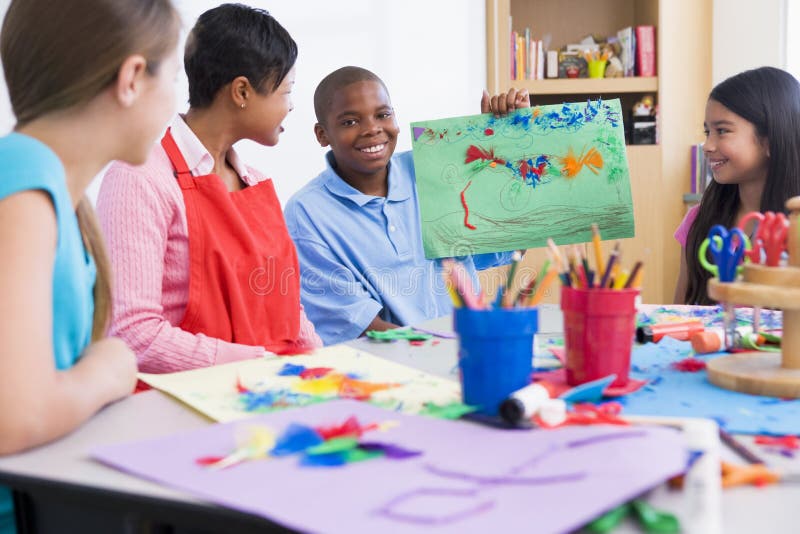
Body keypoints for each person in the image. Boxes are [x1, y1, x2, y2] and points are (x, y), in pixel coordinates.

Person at [0, 0, 180, 530]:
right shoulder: (23, 180)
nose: (176, 99)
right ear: (131, 79)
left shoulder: (49, 185)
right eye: (174, 74)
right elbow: (16, 419)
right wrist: (109, 368)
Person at [97, 4, 321, 374]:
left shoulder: (257, 181)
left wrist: (323, 366)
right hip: (182, 406)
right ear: (242, 92)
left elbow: (285, 311)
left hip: (270, 390)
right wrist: (259, 365)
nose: (292, 106)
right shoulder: (139, 179)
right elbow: (133, 334)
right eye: (287, 91)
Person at [284, 66, 527, 345]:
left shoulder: (433, 169)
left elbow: (514, 241)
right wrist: (447, 350)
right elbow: (360, 327)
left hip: (470, 350)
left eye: (383, 115)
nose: (372, 129)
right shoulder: (306, 213)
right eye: (350, 122)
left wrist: (514, 145)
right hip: (390, 368)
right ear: (322, 134)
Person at [674, 66, 800, 304]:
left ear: (770, 140)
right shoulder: (698, 221)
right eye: (707, 131)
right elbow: (679, 316)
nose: (707, 145)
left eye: (722, 131)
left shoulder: (796, 230)